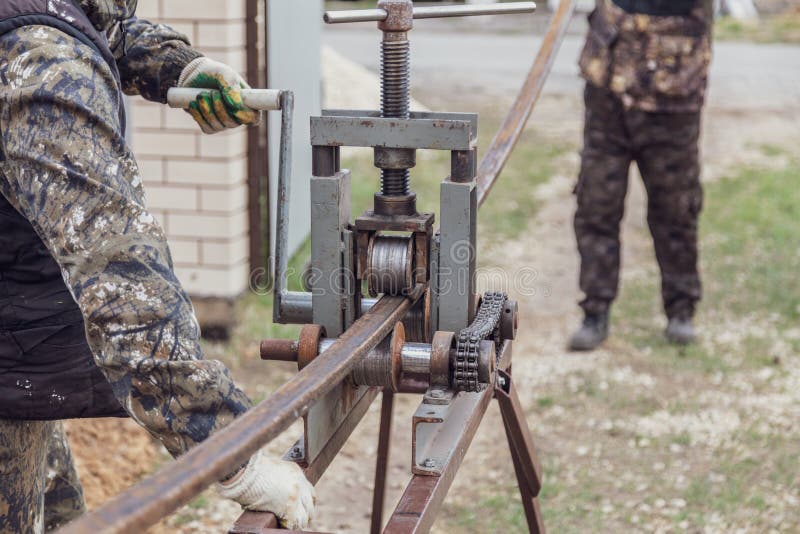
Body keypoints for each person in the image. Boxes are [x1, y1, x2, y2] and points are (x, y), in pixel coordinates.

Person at [0, 1, 314, 531]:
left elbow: (88, 17)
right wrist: (232, 455)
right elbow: (120, 282)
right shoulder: (42, 69)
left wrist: (179, 66)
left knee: (58, 513)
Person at [569, 0, 714, 351]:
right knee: (596, 206)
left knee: (675, 211)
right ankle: (596, 311)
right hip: (609, 89)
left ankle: (681, 310)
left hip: (672, 96)